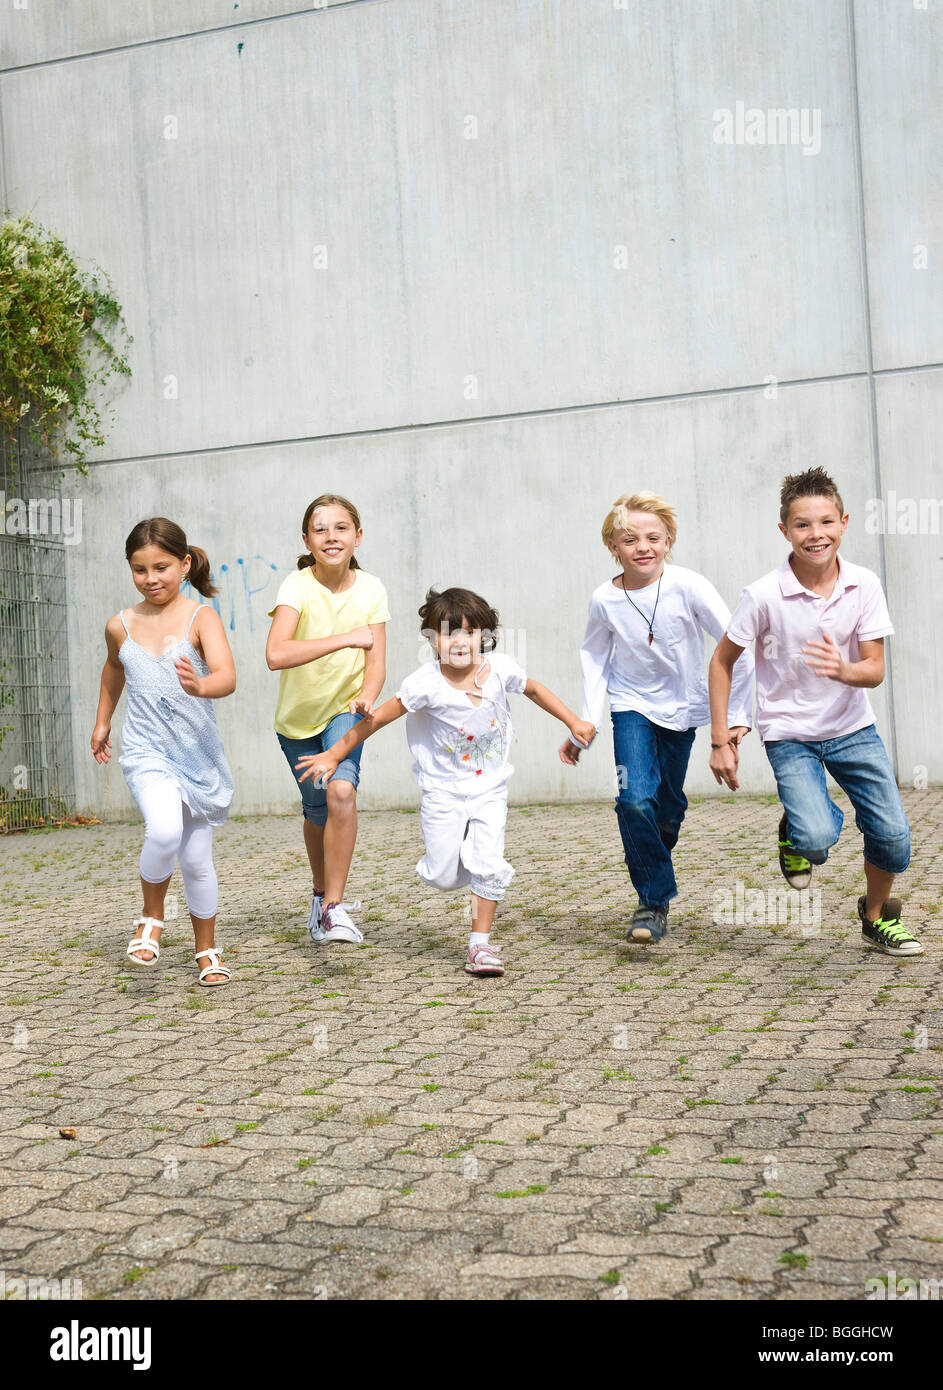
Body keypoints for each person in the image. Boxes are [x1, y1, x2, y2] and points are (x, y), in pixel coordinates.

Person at [295, 586, 595, 976]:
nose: (460, 641)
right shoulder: (425, 683)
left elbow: (534, 689)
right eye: (449, 632)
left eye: (469, 632)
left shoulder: (500, 669)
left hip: (489, 788)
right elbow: (377, 719)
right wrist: (334, 754)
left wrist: (573, 722)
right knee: (441, 873)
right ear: (432, 639)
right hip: (442, 793)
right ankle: (474, 869)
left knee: (487, 862)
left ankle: (480, 946)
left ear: (484, 636)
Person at [709, 466, 920, 956]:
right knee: (817, 837)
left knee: (894, 839)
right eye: (803, 524)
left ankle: (876, 918)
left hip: (852, 727)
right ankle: (796, 832)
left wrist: (842, 671)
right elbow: (721, 662)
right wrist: (720, 739)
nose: (816, 534)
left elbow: (873, 669)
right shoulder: (763, 594)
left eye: (826, 522)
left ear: (844, 522)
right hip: (789, 733)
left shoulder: (863, 584)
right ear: (784, 530)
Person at [560, 492, 754, 943]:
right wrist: (587, 719)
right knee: (632, 799)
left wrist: (738, 715)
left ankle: (653, 862)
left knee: (665, 807)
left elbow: (735, 648)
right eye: (630, 539)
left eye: (653, 537)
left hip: (684, 708)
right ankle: (653, 901)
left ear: (669, 541)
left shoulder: (690, 586)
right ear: (613, 546)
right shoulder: (604, 599)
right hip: (631, 707)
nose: (642, 547)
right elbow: (593, 656)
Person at [91, 518, 236, 986]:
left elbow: (227, 676)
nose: (151, 578)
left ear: (184, 564)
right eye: (139, 569)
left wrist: (201, 684)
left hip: (196, 754)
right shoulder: (120, 624)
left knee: (196, 860)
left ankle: (206, 950)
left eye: (161, 567)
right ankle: (151, 918)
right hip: (146, 749)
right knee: (164, 830)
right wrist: (102, 720)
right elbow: (114, 670)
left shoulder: (201, 617)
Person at [266, 494, 389, 945]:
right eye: (321, 529)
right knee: (316, 810)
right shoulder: (295, 587)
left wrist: (367, 697)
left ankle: (336, 909)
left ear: (358, 536)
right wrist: (343, 639)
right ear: (307, 539)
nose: (332, 537)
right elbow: (276, 654)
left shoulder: (372, 588)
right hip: (297, 722)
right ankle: (319, 896)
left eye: (342, 528)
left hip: (345, 712)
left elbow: (376, 661)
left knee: (340, 790)